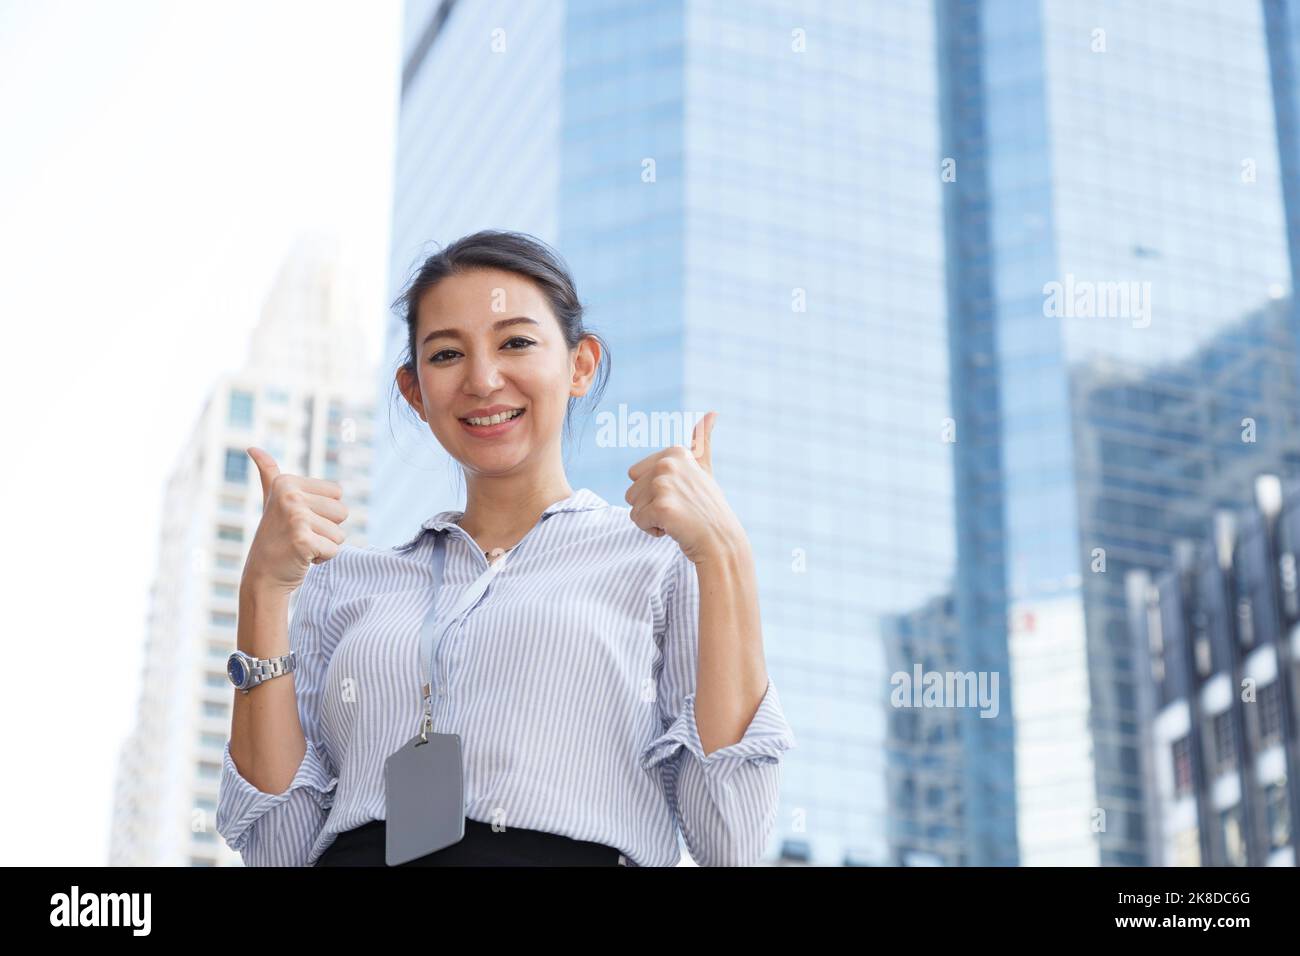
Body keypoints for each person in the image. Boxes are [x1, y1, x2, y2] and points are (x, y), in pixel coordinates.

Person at [216, 229, 796, 866]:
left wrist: (726, 555)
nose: (484, 380)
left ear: (580, 365)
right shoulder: (346, 584)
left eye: (516, 342)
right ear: (415, 393)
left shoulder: (659, 563)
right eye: (445, 355)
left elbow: (732, 844)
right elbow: (278, 852)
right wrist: (263, 591)